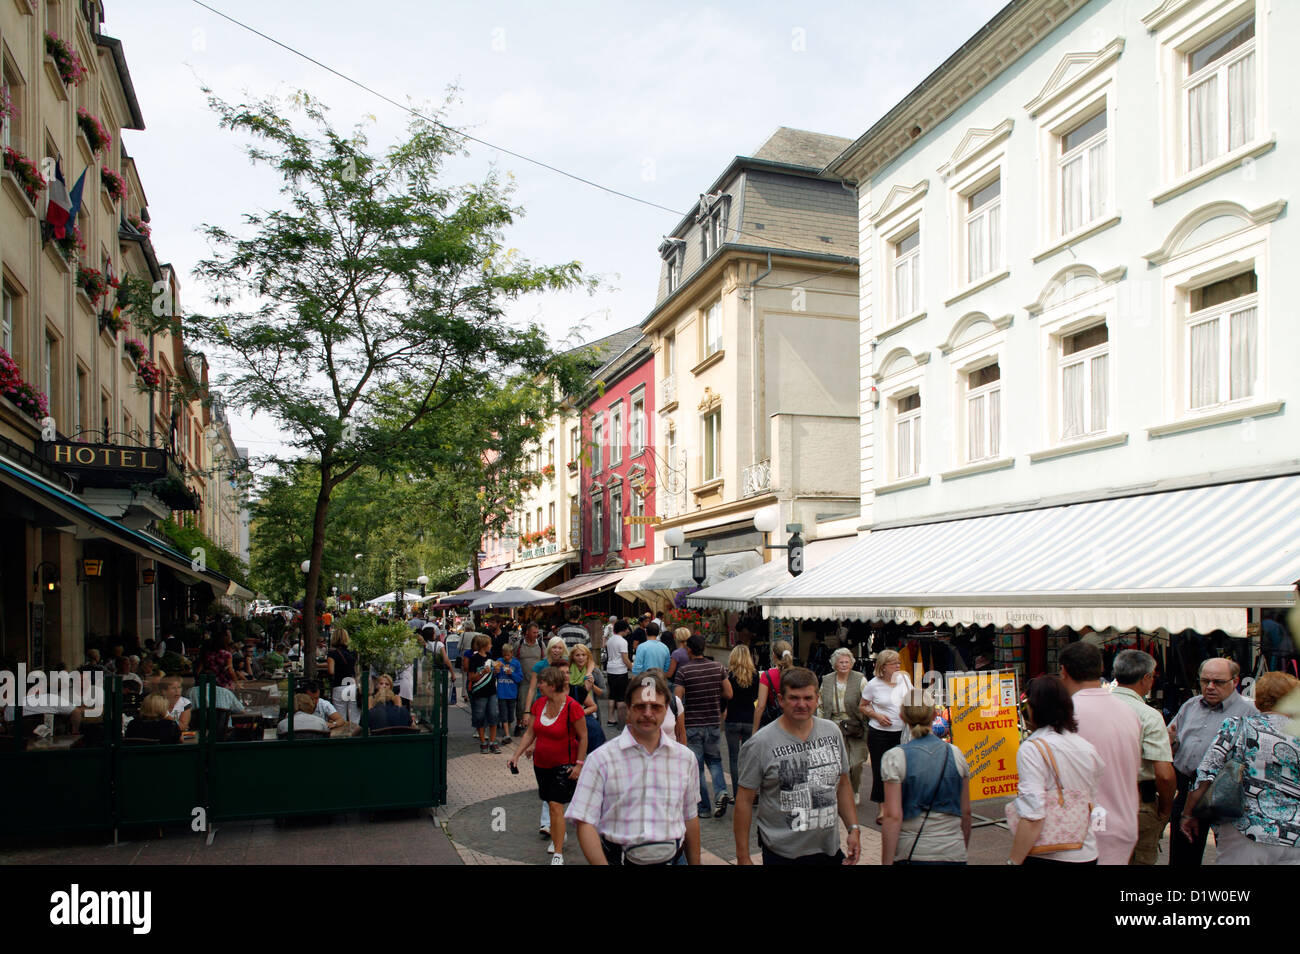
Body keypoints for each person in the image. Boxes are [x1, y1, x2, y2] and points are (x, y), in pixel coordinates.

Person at [566, 670, 702, 865]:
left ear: (666, 709)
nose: (647, 713)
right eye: (640, 706)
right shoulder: (600, 759)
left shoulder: (685, 758)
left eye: (655, 706)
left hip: (674, 858)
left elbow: (690, 817)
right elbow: (584, 820)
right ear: (628, 708)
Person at [734, 667, 861, 866]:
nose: (802, 704)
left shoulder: (832, 732)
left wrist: (853, 828)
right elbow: (744, 800)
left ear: (817, 698)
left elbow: (843, 784)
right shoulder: (760, 743)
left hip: (828, 849)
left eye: (808, 698)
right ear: (780, 699)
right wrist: (743, 857)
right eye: (794, 698)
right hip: (782, 854)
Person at [1182, 671, 1300, 865]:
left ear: (1258, 699)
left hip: (1244, 829)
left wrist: (1189, 814)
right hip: (1295, 835)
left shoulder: (1236, 727)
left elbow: (1206, 774)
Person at [1167, 657, 1256, 865]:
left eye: (1218, 682)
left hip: (1226, 792)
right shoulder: (1191, 705)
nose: (1210, 687)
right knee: (1182, 856)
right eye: (1204, 680)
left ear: (1235, 681)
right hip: (1188, 787)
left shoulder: (1249, 713)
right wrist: (1170, 743)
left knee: (1231, 856)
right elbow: (1174, 742)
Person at [1059, 641, 1141, 865]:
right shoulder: (1128, 710)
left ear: (1063, 671)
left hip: (1088, 828)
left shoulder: (1066, 713)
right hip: (1124, 822)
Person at [1007, 675, 1104, 865]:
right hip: (1087, 851)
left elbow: (1033, 812)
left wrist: (1014, 860)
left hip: (1049, 853)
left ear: (1034, 709)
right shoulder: (1087, 747)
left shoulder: (1032, 748)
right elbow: (1094, 801)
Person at [880, 691, 972, 865]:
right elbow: (966, 812)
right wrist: (961, 848)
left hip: (913, 852)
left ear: (902, 717)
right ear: (935, 715)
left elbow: (892, 816)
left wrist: (886, 861)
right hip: (952, 849)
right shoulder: (955, 754)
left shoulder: (895, 757)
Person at [509, 666, 589, 865]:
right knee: (550, 804)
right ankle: (559, 833)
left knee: (555, 805)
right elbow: (530, 732)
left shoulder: (572, 707)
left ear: (552, 685)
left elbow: (584, 736)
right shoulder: (539, 704)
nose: (539, 686)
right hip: (541, 765)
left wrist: (579, 765)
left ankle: (558, 853)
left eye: (542, 683)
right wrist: (516, 755)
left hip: (563, 766)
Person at [1110, 649, 1176, 865]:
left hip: (1097, 801)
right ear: (1146, 678)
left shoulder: (1093, 707)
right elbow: (1164, 775)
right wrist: (1165, 810)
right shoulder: (1148, 715)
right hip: (1137, 803)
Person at [674, 634, 733, 818]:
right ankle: (721, 791)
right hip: (713, 721)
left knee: (697, 766)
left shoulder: (684, 671)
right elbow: (729, 693)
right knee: (715, 760)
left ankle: (704, 807)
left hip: (692, 723)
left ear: (689, 649)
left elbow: (677, 700)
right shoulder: (718, 667)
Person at [859, 648, 914, 823]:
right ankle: (882, 808)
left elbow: (913, 698)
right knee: (880, 769)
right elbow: (862, 706)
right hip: (879, 734)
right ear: (883, 666)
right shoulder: (873, 684)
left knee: (902, 768)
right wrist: (877, 715)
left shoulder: (904, 679)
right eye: (894, 663)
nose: (898, 665)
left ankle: (899, 805)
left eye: (899, 662)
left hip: (902, 732)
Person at [819, 648, 869, 797]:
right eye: (841, 662)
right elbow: (820, 704)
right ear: (835, 664)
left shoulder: (860, 679)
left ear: (852, 663)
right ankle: (840, 793)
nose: (844, 665)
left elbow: (867, 702)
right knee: (837, 762)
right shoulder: (827, 680)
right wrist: (821, 725)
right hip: (833, 726)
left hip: (855, 726)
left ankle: (854, 790)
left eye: (847, 662)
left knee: (856, 763)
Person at [724, 645, 760, 801]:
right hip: (749, 718)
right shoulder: (755, 675)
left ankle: (737, 794)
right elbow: (755, 697)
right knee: (749, 758)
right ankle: (751, 793)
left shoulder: (728, 675)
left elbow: (725, 696)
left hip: (732, 718)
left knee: (733, 758)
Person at [467, 634, 503, 753]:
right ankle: (483, 742)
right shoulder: (474, 659)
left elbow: (493, 672)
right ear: (484, 645)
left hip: (492, 690)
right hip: (479, 691)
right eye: (489, 644)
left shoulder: (490, 656)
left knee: (494, 715)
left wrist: (496, 670)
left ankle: (492, 741)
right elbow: (471, 677)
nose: (491, 646)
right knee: (480, 717)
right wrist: (482, 672)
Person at [752, 639, 795, 734]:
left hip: (775, 724)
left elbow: (760, 706)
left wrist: (754, 731)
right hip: (794, 722)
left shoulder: (767, 676)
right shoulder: (798, 674)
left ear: (774, 655)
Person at [512, 622, 545, 734]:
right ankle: (518, 724)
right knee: (521, 703)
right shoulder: (519, 644)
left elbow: (544, 660)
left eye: (537, 632)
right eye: (534, 632)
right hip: (523, 680)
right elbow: (513, 659)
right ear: (527, 632)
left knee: (535, 704)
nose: (536, 634)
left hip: (537, 681)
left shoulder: (540, 644)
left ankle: (532, 727)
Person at [327, 628, 359, 721]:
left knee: (341, 718)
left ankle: (343, 735)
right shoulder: (353, 652)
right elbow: (357, 670)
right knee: (354, 717)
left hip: (339, 685)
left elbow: (331, 671)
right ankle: (355, 734)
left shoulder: (332, 653)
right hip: (352, 685)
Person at [604, 618, 631, 728]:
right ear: (623, 630)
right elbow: (625, 659)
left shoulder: (610, 640)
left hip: (610, 670)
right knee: (621, 698)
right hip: (620, 671)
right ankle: (621, 722)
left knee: (612, 696)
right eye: (627, 629)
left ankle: (610, 719)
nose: (628, 631)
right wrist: (632, 667)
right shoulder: (623, 642)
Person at [496, 643, 524, 738]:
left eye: (507, 655)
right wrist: (497, 671)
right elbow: (494, 675)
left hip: (512, 694)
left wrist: (511, 673)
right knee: (503, 714)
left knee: (510, 716)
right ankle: (507, 734)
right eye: (504, 655)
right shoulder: (499, 661)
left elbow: (520, 678)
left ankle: (507, 730)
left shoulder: (516, 663)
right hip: (501, 693)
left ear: (512, 654)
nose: (506, 657)